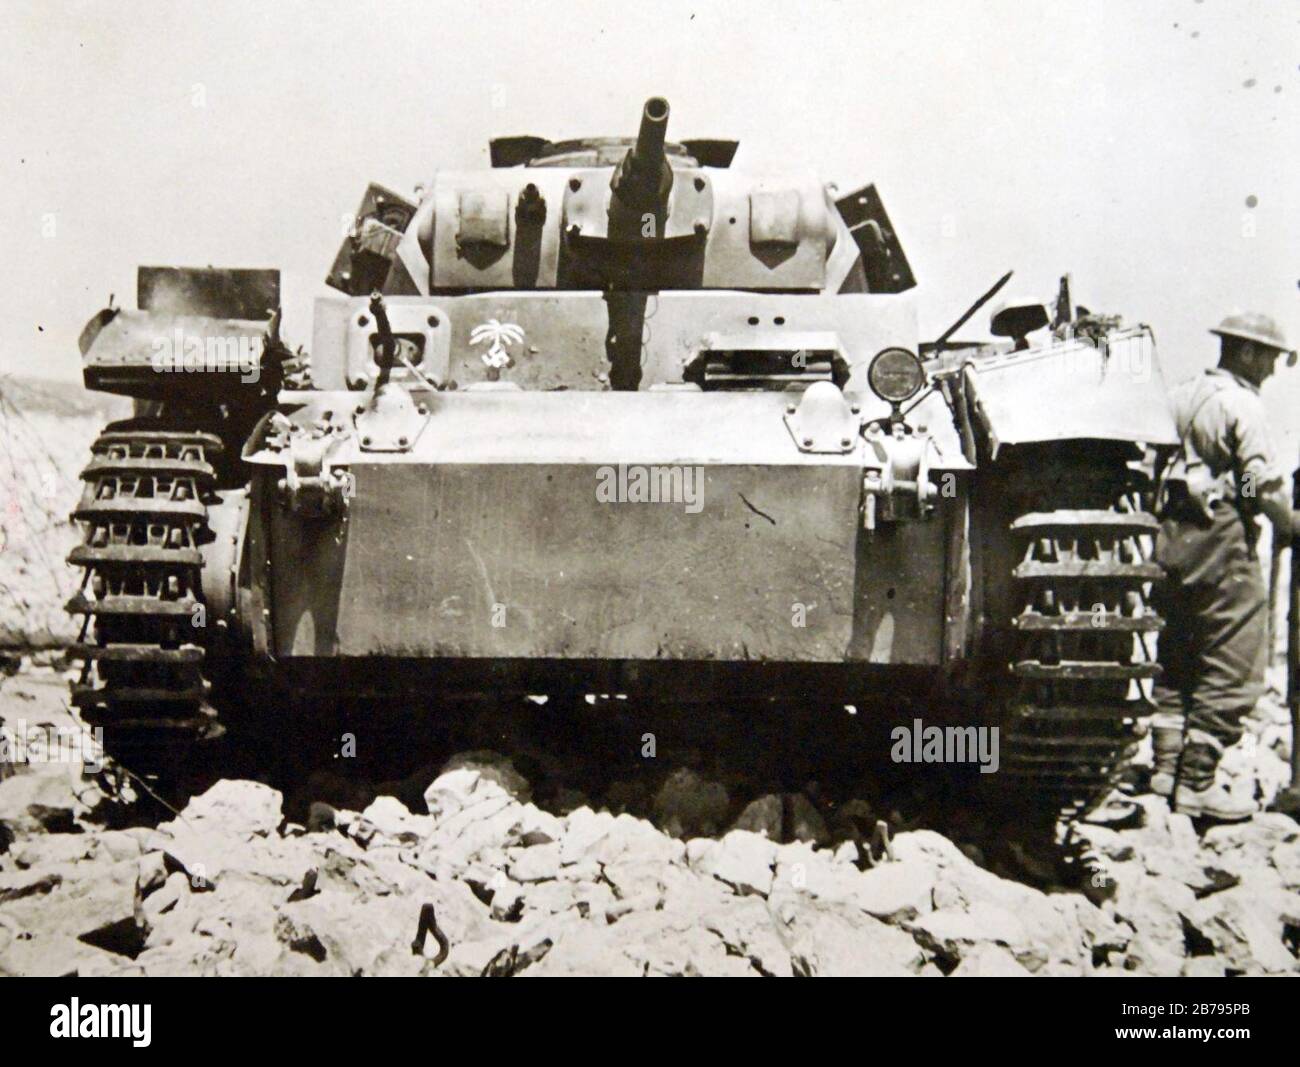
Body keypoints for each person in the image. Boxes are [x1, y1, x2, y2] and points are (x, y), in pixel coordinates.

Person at [1151, 312, 1297, 820]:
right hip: (1221, 539)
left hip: (1170, 540)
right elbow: (1260, 482)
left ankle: (1165, 770)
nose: (1275, 371)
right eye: (1273, 358)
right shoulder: (1242, 405)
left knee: (1178, 651)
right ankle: (1197, 783)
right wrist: (1284, 519)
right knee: (1235, 657)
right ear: (1248, 352)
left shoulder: (1179, 395)